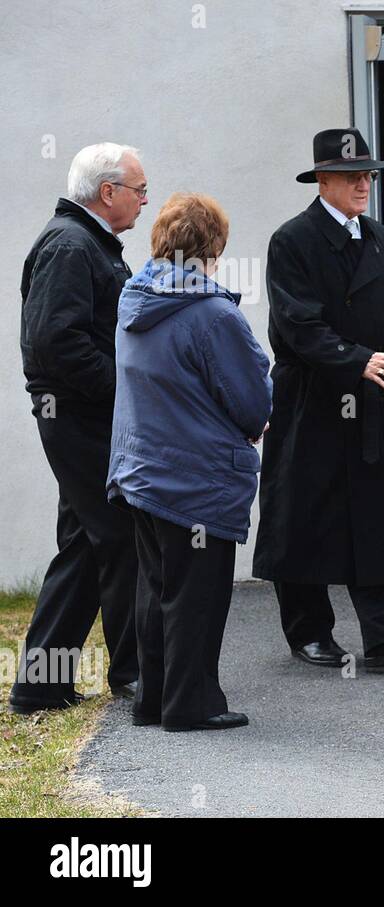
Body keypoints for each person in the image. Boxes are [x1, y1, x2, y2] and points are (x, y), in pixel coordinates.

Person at [253, 128, 384, 670]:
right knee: (304, 511)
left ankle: (383, 636)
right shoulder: (294, 240)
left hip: (370, 398)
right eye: (353, 175)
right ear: (323, 180)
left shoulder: (378, 237)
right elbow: (298, 327)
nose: (364, 184)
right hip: (312, 398)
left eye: (369, 175)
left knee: (369, 517)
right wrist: (359, 360)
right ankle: (309, 631)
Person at [106, 193, 272, 732]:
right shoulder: (212, 314)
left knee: (156, 592)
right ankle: (192, 705)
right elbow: (252, 403)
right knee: (197, 597)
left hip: (142, 474)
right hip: (197, 478)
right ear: (214, 246)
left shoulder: (134, 299)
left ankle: (153, 701)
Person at [10, 143, 146, 715]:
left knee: (85, 544)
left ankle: (41, 684)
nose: (145, 198)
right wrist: (125, 390)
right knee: (118, 537)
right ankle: (135, 675)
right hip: (77, 416)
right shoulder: (72, 244)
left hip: (82, 414)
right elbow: (54, 342)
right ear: (107, 192)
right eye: (139, 188)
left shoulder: (84, 241)